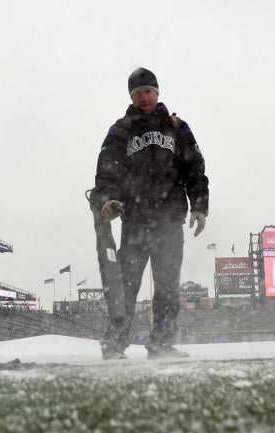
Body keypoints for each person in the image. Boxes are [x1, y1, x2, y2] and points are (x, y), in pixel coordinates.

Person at [91, 67, 209, 360]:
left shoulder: (177, 127)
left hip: (169, 222)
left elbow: (195, 168)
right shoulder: (120, 130)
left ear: (157, 92)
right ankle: (114, 345)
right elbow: (106, 170)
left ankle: (161, 345)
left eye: (147, 91)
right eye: (137, 93)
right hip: (135, 221)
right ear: (131, 97)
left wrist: (199, 206)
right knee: (126, 287)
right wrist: (107, 198)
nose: (143, 97)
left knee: (168, 288)